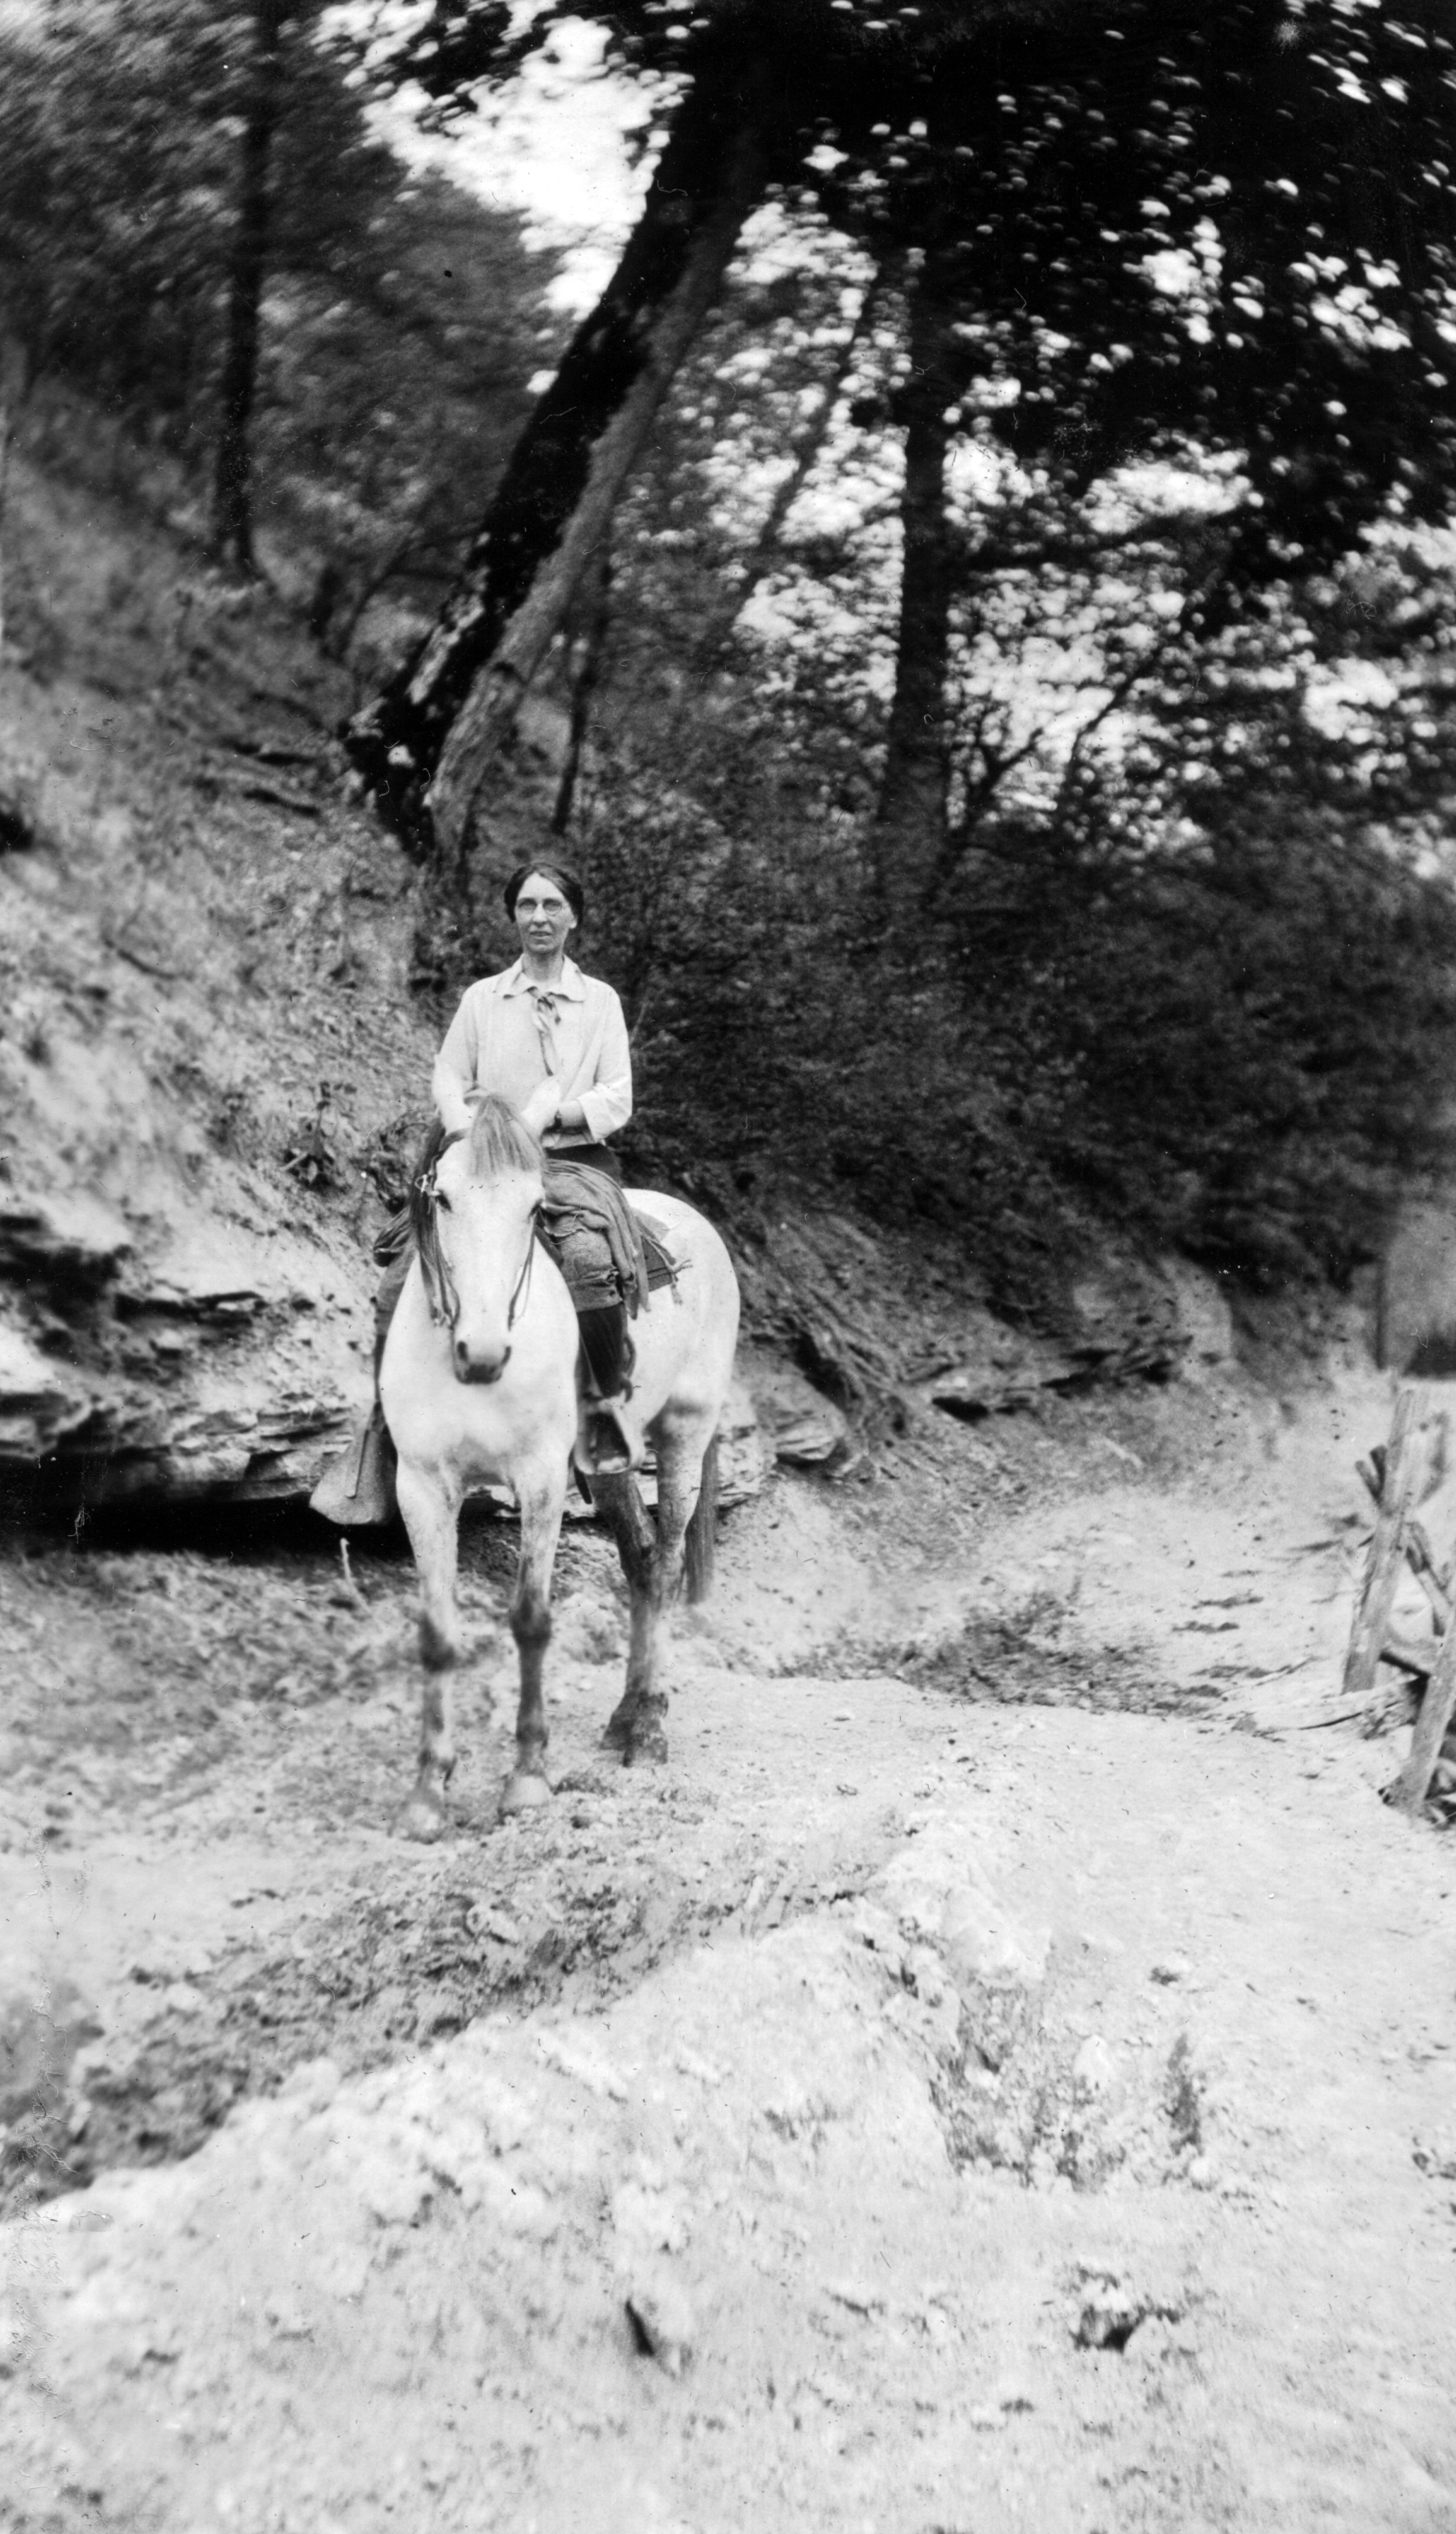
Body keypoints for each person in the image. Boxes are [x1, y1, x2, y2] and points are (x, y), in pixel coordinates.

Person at [312, 860, 638, 1526]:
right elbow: (449, 1072)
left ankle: (600, 1412)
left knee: (587, 1266)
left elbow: (617, 1096)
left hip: (565, 1158)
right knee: (398, 1278)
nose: (539, 917)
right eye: (527, 905)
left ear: (573, 917)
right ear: (513, 915)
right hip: (484, 1160)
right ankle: (382, 1432)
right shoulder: (484, 998)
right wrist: (463, 1122)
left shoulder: (598, 1001)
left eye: (552, 905)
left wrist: (557, 1115)